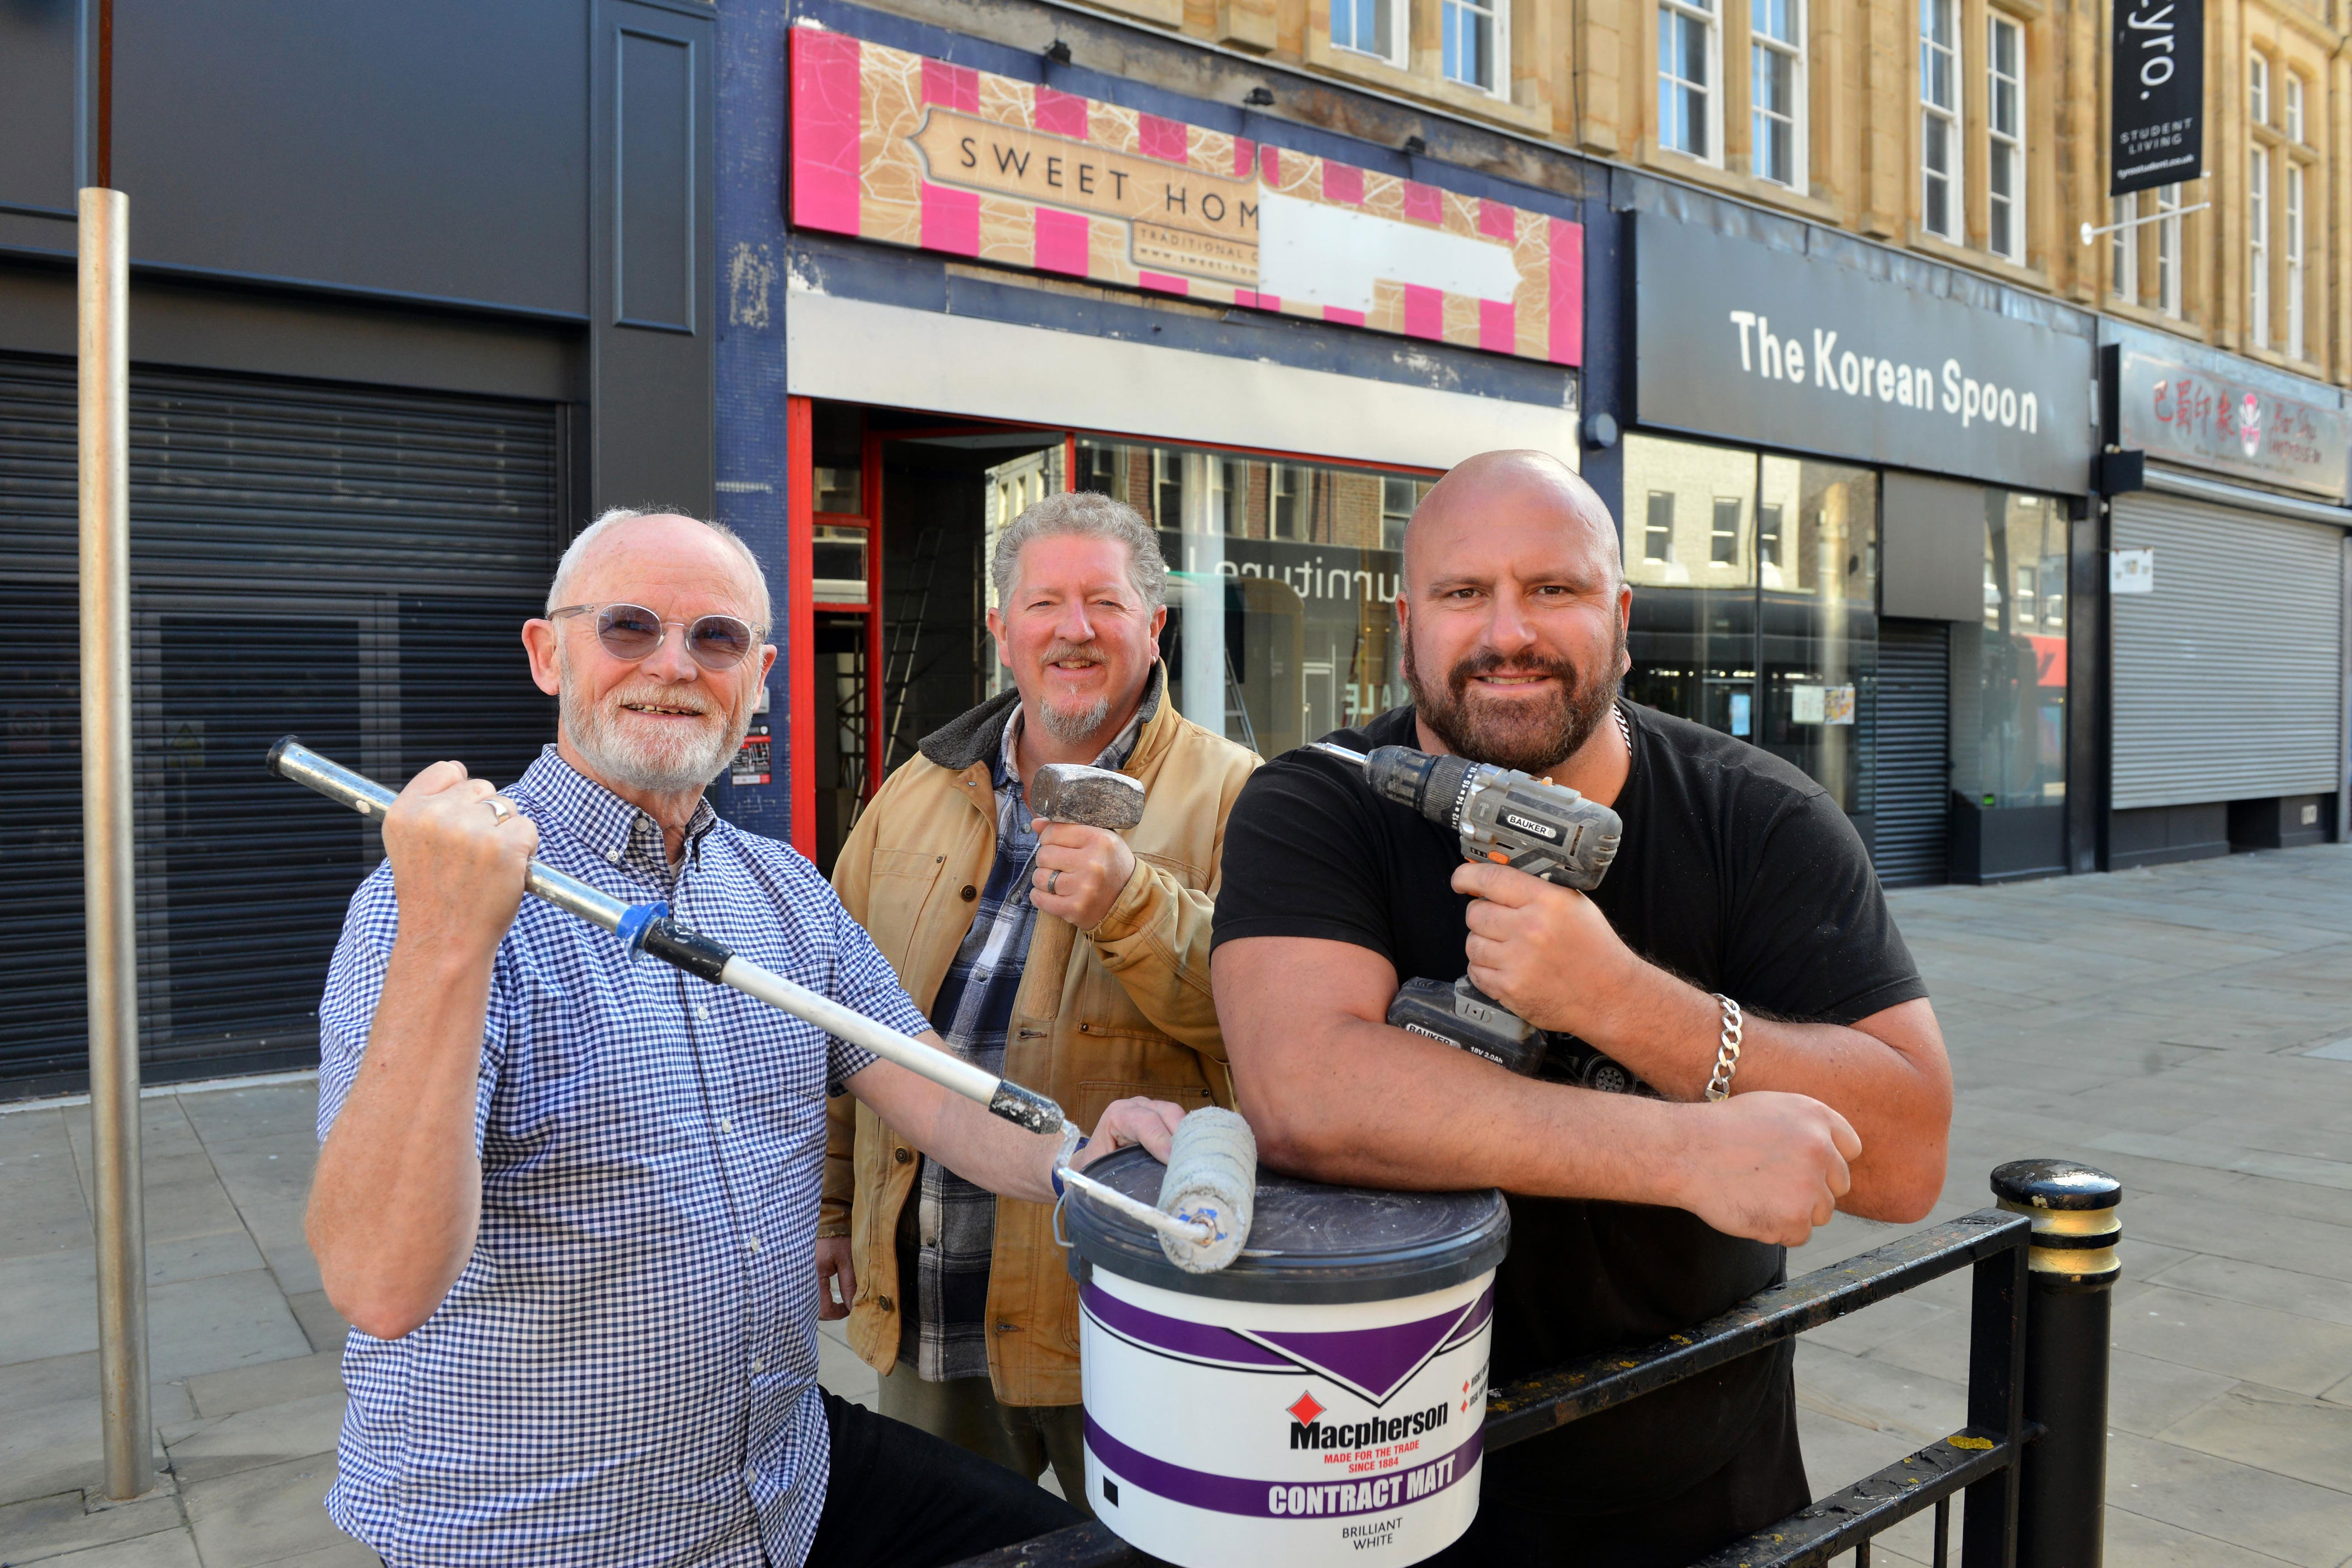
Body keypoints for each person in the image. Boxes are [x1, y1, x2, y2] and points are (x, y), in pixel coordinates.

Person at [308, 506, 1186, 1568]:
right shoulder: (427, 909)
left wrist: (1078, 1158)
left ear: (759, 674)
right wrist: (447, 948)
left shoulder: (779, 888)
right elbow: (378, 1284)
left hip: (784, 1478)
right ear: (549, 654)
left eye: (715, 639)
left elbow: (929, 1087)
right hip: (545, 1527)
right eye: (629, 628)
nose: (674, 667)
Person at [1210, 452, 1953, 1567]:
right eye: (1466, 593)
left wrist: (1625, 1003)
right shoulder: (1315, 802)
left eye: (1553, 589)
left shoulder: (1764, 820)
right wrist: (1686, 1150)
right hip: (1380, 1480)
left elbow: (1907, 1155)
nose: (1510, 631)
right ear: (1405, 621)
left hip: (1702, 1486)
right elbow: (1307, 1095)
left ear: (1621, 613)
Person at [821, 490, 1256, 1508]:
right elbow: (834, 1016)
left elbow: (1262, 1029)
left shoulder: (1242, 795)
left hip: (1123, 1301)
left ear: (1155, 627)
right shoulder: (914, 790)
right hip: (930, 1293)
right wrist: (831, 1206)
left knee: (1156, 1541)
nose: (1073, 629)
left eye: (1104, 603)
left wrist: (1135, 905)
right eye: (1044, 603)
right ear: (1001, 629)